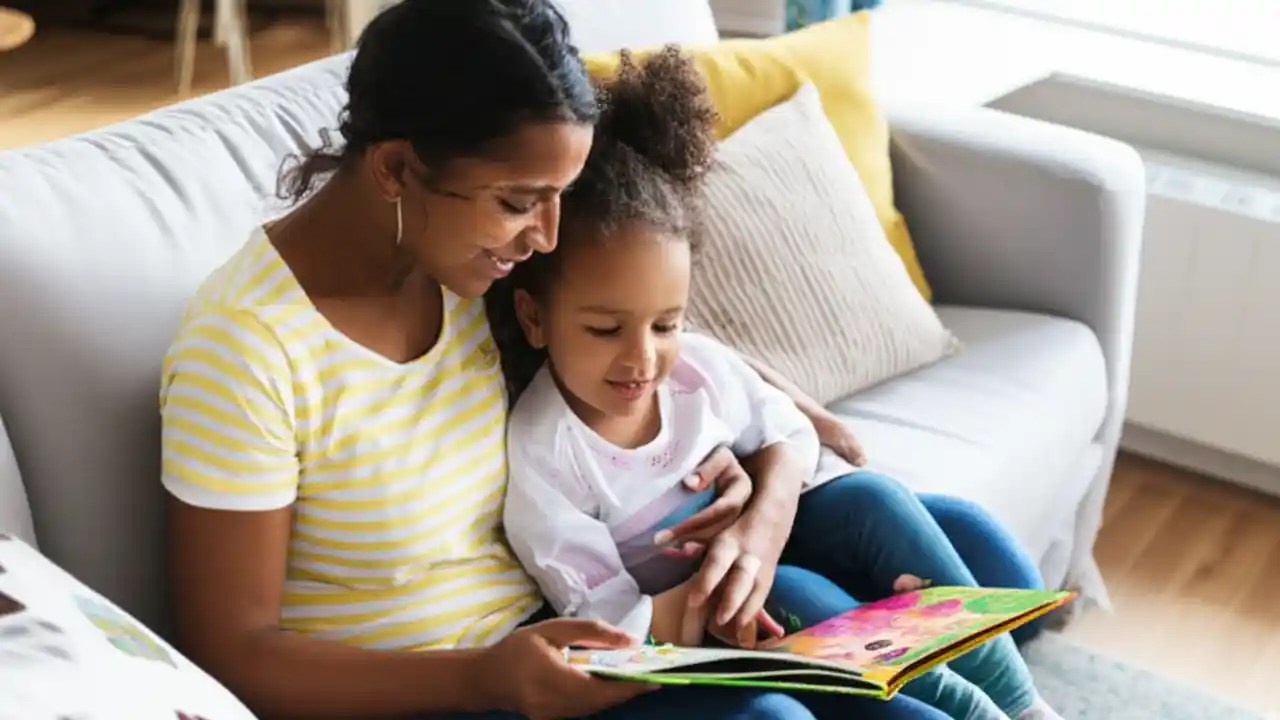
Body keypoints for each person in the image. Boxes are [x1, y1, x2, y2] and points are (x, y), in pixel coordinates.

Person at [158, 1, 950, 718]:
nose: (544, 235)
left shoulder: (466, 263)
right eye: (518, 202)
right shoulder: (246, 349)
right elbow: (233, 652)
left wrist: (768, 448)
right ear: (396, 168)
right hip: (448, 691)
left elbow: (642, 336)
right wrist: (485, 678)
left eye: (557, 197)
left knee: (926, 544)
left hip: (579, 626)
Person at [488, 47, 1059, 720]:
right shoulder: (547, 453)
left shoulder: (697, 370)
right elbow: (610, 628)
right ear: (535, 317)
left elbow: (786, 427)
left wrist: (759, 525)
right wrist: (732, 589)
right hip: (697, 621)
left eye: (665, 324)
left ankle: (1021, 704)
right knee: (802, 596)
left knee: (876, 500)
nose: (641, 360)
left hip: (776, 536)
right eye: (605, 330)